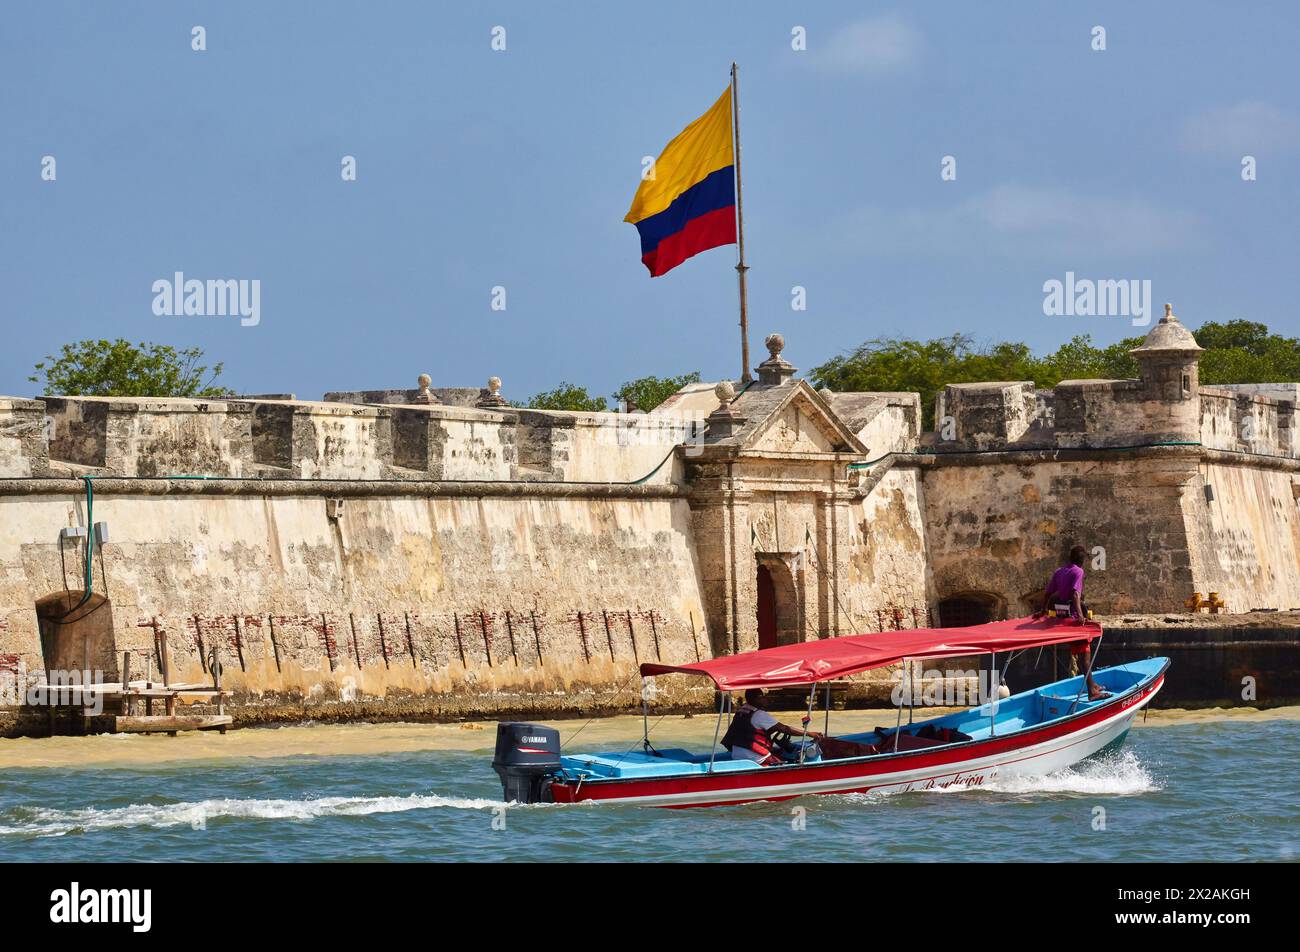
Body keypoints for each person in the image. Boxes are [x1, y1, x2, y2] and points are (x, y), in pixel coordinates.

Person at [1034, 545, 1110, 700]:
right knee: (1085, 656)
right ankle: (1092, 692)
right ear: (1082, 560)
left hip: (1064, 618)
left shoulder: (1059, 572)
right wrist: (1081, 616)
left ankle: (1092, 684)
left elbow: (1048, 593)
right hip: (1075, 618)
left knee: (1081, 655)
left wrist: (1043, 610)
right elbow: (1076, 595)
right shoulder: (1078, 571)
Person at [721, 688, 822, 765]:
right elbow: (785, 729)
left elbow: (750, 733)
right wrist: (809, 733)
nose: (766, 699)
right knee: (783, 763)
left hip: (737, 754)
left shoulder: (742, 711)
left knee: (777, 753)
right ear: (757, 698)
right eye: (763, 696)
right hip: (754, 757)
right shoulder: (759, 715)